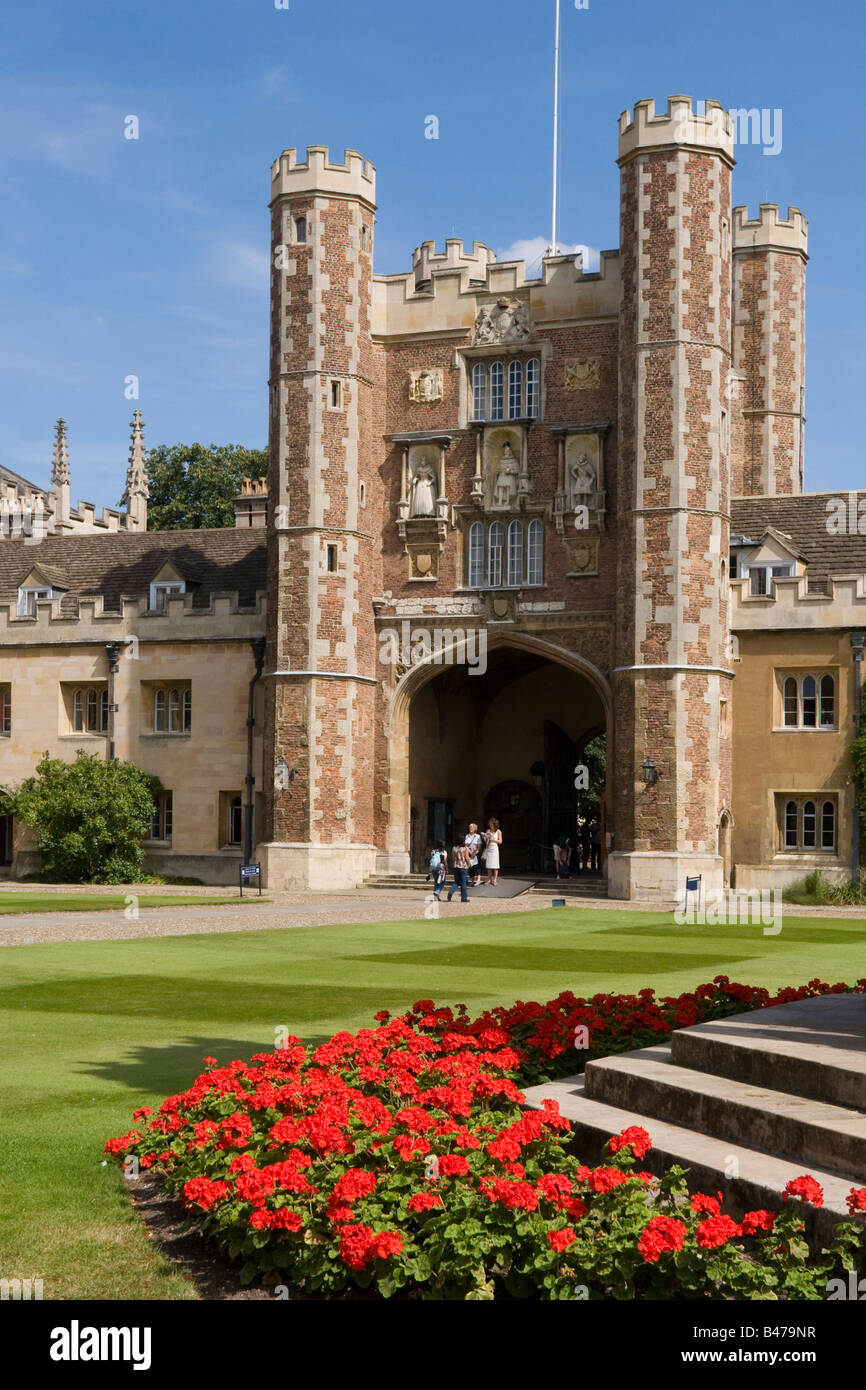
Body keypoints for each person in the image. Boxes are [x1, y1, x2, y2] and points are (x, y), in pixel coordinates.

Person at [483, 818, 502, 887]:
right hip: (488, 848)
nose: (490, 825)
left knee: (495, 865)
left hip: (494, 848)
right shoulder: (488, 831)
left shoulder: (498, 831)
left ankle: (495, 880)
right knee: (489, 865)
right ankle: (489, 879)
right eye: (489, 824)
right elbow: (486, 841)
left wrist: (493, 839)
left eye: (491, 824)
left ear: (494, 825)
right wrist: (485, 838)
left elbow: (500, 841)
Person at [465, 822, 483, 887]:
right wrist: (470, 852)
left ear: (475, 828)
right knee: (471, 867)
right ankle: (472, 880)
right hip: (469, 853)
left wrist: (475, 853)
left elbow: (479, 846)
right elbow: (466, 845)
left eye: (472, 827)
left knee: (477, 866)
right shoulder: (467, 836)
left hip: (476, 853)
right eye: (470, 827)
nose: (470, 828)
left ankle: (478, 879)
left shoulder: (478, 836)